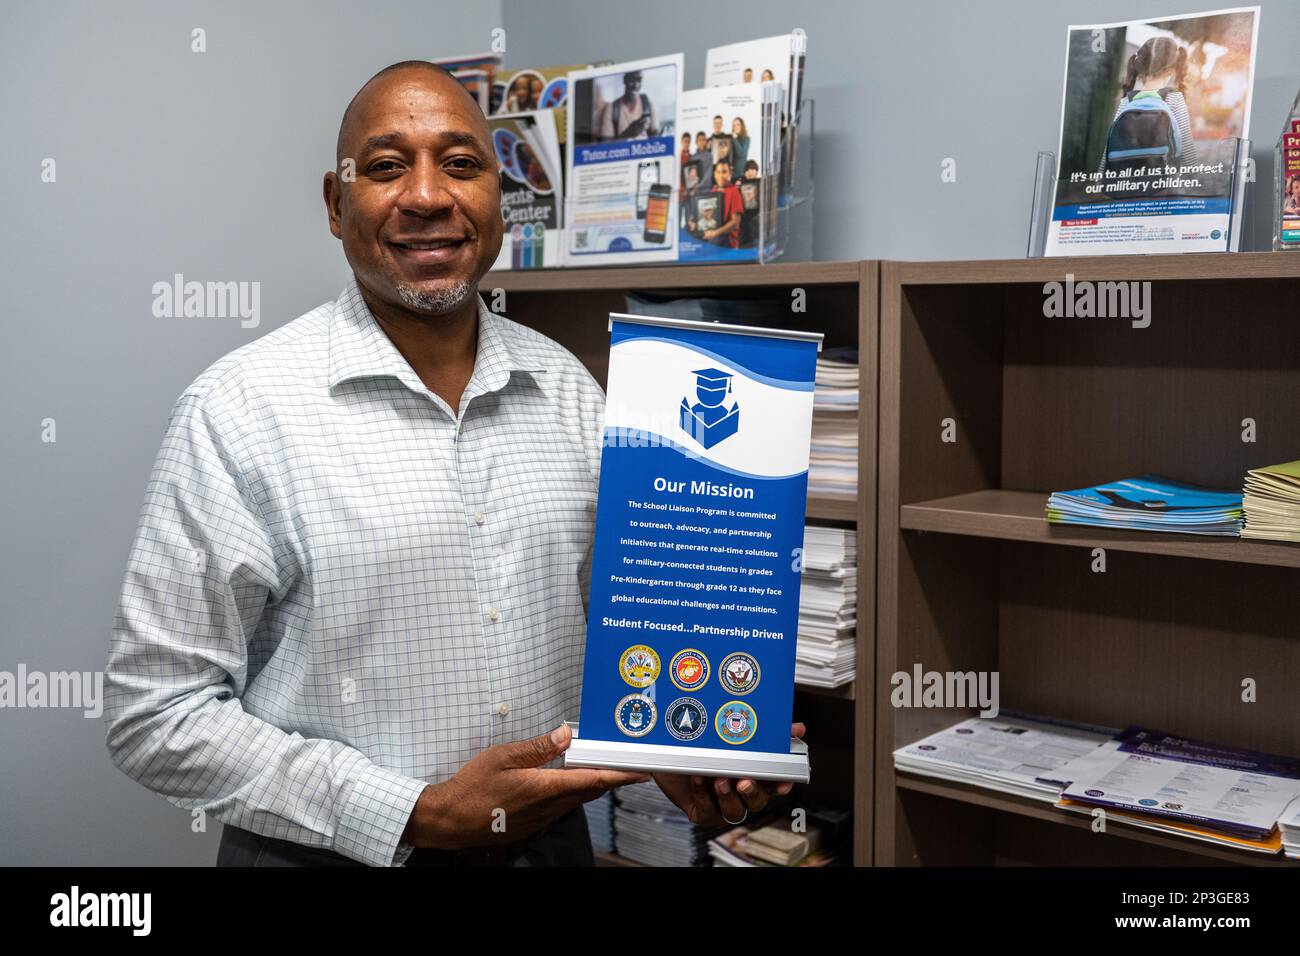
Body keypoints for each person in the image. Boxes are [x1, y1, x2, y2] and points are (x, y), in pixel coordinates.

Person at [103, 60, 801, 868]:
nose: (428, 196)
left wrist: (692, 737)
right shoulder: (239, 412)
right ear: (337, 203)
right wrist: (413, 812)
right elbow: (156, 713)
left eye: (462, 165)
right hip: (329, 856)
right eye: (388, 165)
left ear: (498, 200)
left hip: (550, 849)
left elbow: (631, 634)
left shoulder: (570, 390)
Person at [1098, 35, 1197, 174]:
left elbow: (1109, 148)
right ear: (1171, 70)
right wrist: (1197, 180)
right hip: (1161, 188)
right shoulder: (1174, 98)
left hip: (1125, 185)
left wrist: (1099, 179)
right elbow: (1186, 148)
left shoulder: (1128, 100)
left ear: (1139, 69)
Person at [689, 159, 744, 248]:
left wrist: (715, 233)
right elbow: (703, 216)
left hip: (726, 237)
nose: (721, 176)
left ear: (730, 174)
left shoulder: (734, 191)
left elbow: (735, 223)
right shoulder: (713, 191)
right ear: (714, 174)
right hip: (711, 231)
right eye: (718, 172)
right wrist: (693, 222)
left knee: (714, 242)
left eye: (724, 172)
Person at [597, 70, 658, 141]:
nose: (636, 85)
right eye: (632, 80)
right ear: (624, 80)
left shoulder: (647, 104)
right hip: (621, 152)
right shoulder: (612, 108)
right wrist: (628, 133)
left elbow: (654, 135)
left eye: (639, 80)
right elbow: (605, 145)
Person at [730, 116, 751, 183]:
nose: (736, 127)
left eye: (738, 124)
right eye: (734, 125)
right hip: (731, 175)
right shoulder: (731, 139)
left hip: (741, 175)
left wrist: (735, 139)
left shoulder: (746, 139)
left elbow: (741, 154)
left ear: (742, 126)